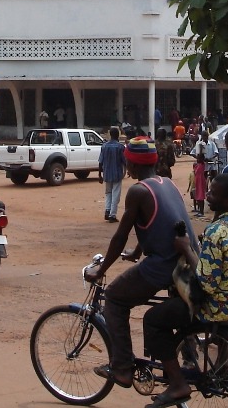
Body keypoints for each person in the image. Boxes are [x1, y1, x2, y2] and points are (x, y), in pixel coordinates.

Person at [140, 172, 228, 408]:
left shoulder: (217, 231)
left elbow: (206, 282)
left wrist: (186, 249)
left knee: (153, 319)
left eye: (213, 194)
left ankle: (177, 383)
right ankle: (219, 363)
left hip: (217, 307)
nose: (208, 196)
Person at [84, 136, 196, 391]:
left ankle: (122, 367)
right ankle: (188, 356)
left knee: (114, 298)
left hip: (164, 264)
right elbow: (160, 223)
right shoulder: (167, 183)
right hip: (186, 262)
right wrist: (137, 251)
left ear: (132, 165)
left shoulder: (138, 191)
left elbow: (120, 235)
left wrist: (101, 270)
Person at [98, 126, 126, 223]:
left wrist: (99, 175)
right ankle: (112, 215)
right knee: (116, 194)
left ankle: (107, 210)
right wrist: (128, 170)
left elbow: (100, 161)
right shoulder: (120, 147)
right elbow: (124, 161)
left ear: (110, 135)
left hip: (107, 173)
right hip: (117, 174)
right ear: (118, 135)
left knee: (108, 193)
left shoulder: (104, 146)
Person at [191, 152, 207, 216]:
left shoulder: (202, 164)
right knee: (198, 196)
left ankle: (201, 212)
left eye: (198, 158)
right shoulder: (198, 165)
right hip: (198, 182)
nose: (197, 159)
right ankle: (200, 210)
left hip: (200, 182)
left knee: (201, 196)